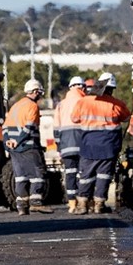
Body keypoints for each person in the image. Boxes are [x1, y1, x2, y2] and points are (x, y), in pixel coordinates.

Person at [70, 72, 130, 215]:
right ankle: (99, 206)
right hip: (108, 146)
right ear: (111, 89)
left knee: (86, 176)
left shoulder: (83, 102)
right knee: (104, 175)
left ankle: (83, 205)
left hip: (89, 145)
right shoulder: (117, 104)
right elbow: (127, 118)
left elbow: (74, 119)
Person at [3, 79, 54, 215]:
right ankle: (36, 203)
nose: (40, 95)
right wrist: (18, 141)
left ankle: (21, 206)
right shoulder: (32, 106)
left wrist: (8, 143)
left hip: (15, 150)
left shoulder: (16, 106)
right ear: (36, 91)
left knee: (21, 177)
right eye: (40, 93)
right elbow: (29, 127)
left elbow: (5, 127)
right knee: (38, 175)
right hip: (29, 147)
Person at [53, 76, 86, 213]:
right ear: (82, 87)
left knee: (70, 174)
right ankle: (83, 203)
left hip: (66, 145)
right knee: (83, 174)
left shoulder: (61, 104)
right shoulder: (85, 102)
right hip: (83, 144)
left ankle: (72, 204)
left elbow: (56, 128)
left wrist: (59, 147)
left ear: (70, 87)